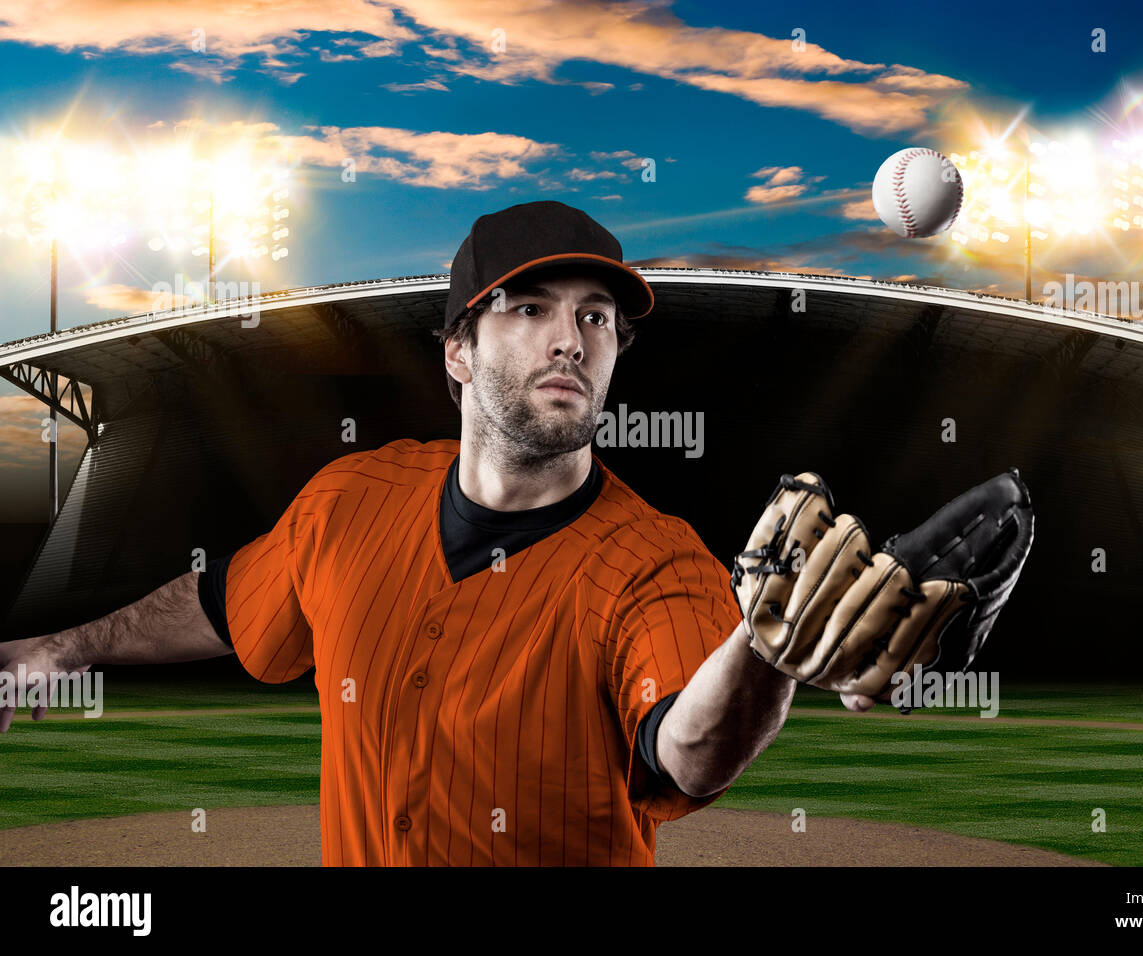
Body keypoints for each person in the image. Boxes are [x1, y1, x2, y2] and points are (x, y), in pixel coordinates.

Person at [0, 200, 852, 866]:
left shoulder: (655, 561)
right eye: (529, 308)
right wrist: (63, 648)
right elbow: (223, 602)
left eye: (596, 318)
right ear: (458, 351)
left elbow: (685, 752)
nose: (570, 341)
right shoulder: (351, 498)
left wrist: (760, 650)